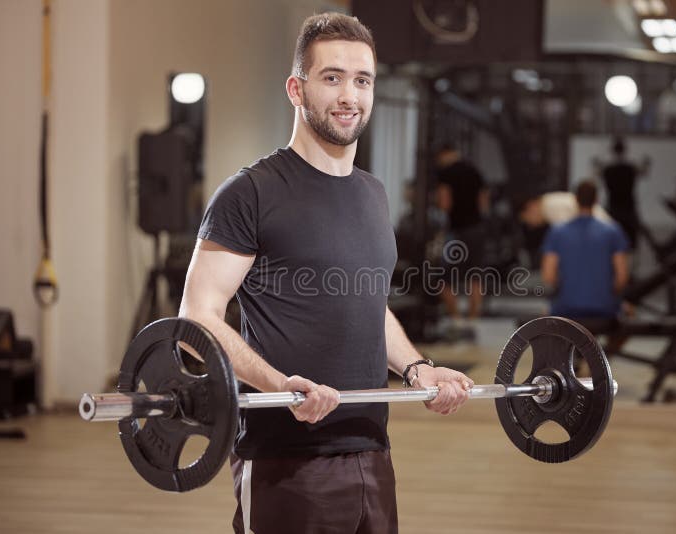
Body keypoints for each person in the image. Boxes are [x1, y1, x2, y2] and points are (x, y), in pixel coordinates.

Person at [179, 13, 474, 534]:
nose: (349, 96)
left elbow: (368, 308)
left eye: (362, 81)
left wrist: (417, 369)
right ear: (297, 88)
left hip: (371, 452)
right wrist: (276, 383)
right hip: (284, 460)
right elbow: (196, 321)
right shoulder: (251, 193)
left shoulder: (372, 194)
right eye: (331, 77)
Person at [541, 181, 629, 320]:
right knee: (629, 312)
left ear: (575, 200)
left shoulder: (557, 232)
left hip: (566, 307)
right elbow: (622, 277)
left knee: (547, 316)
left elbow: (548, 276)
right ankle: (604, 344)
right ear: (596, 200)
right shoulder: (613, 231)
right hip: (605, 308)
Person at [434, 145, 490, 325]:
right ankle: (473, 320)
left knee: (444, 278)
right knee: (475, 275)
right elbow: (483, 200)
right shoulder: (474, 171)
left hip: (456, 230)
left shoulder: (446, 173)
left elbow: (444, 202)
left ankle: (457, 319)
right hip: (476, 228)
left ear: (444, 155)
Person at [516, 191, 611, 269]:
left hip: (601, 236)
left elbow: (570, 238)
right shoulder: (549, 203)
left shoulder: (550, 207)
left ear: (530, 207)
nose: (532, 225)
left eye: (528, 220)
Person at [593, 136, 650, 250]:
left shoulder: (608, 169)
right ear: (625, 150)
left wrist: (595, 164)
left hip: (613, 209)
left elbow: (596, 174)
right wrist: (647, 163)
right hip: (629, 209)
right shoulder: (631, 168)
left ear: (612, 150)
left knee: (610, 244)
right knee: (631, 244)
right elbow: (644, 172)